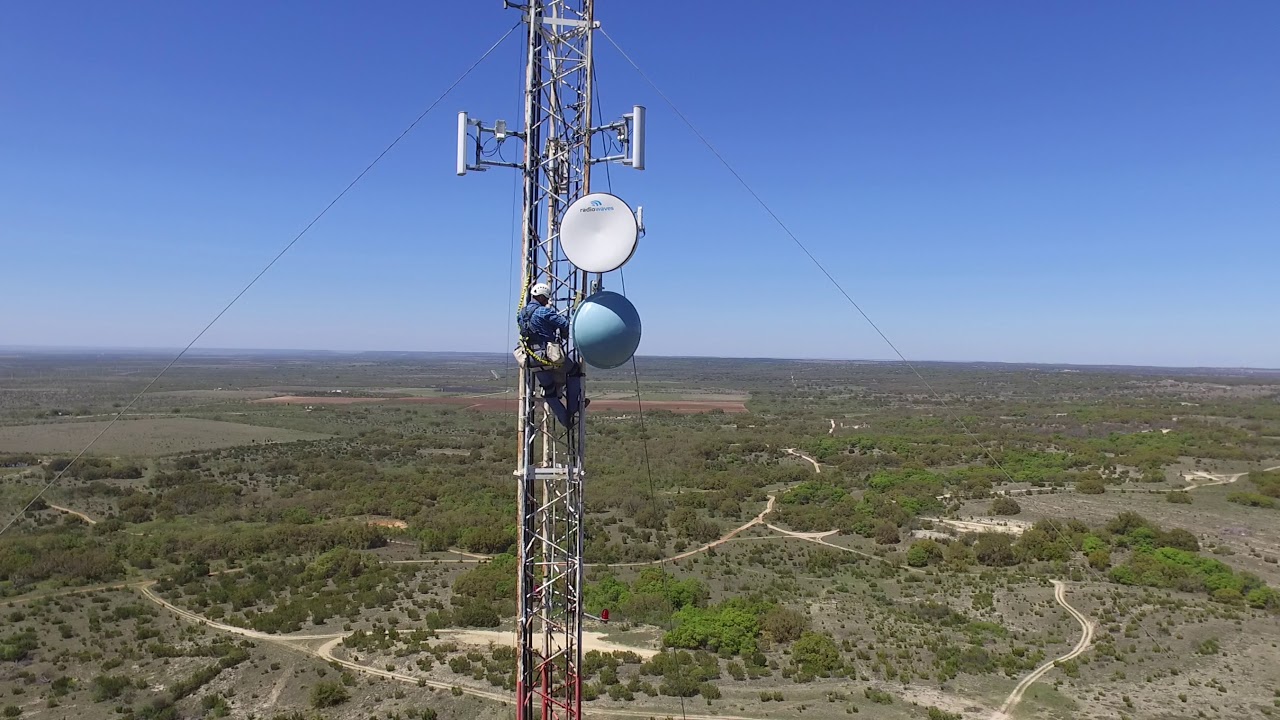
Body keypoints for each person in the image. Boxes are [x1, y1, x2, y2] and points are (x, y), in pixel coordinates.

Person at [518, 282, 585, 427]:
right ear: (541, 297)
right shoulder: (544, 312)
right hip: (548, 355)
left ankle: (564, 419)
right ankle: (573, 407)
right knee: (574, 372)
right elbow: (565, 325)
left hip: (531, 358)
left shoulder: (522, 314)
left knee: (549, 390)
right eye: (546, 298)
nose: (547, 301)